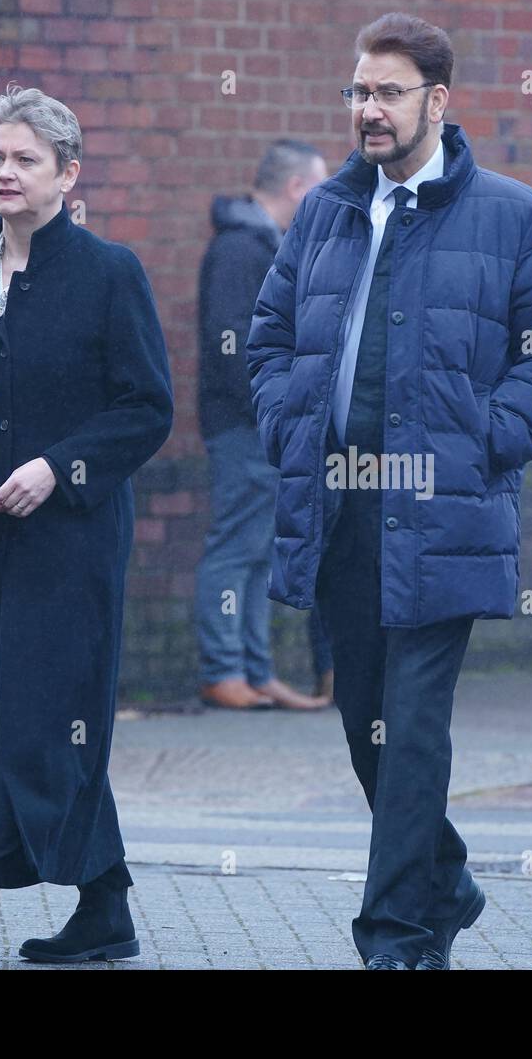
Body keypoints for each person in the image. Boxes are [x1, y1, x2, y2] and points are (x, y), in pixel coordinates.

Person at [247, 13, 532, 969]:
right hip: (340, 508)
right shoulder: (324, 211)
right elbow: (270, 337)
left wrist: (486, 441)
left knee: (413, 730)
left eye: (388, 92)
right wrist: (289, 427)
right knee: (365, 727)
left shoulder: (513, 217)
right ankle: (445, 876)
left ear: (437, 102)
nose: (368, 109)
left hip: (445, 515)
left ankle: (396, 935)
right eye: (359, 91)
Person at [0, 84, 173, 968]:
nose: (5, 172)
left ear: (68, 173)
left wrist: (58, 467)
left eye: (24, 159)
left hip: (73, 541)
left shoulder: (109, 273)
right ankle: (106, 908)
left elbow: (146, 408)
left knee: (36, 715)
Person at [195, 140, 333, 711]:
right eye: (318, 189)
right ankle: (223, 670)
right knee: (236, 548)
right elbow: (231, 345)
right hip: (245, 425)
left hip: (263, 426)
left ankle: (254, 671)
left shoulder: (262, 246)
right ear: (298, 188)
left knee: (257, 550)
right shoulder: (239, 249)